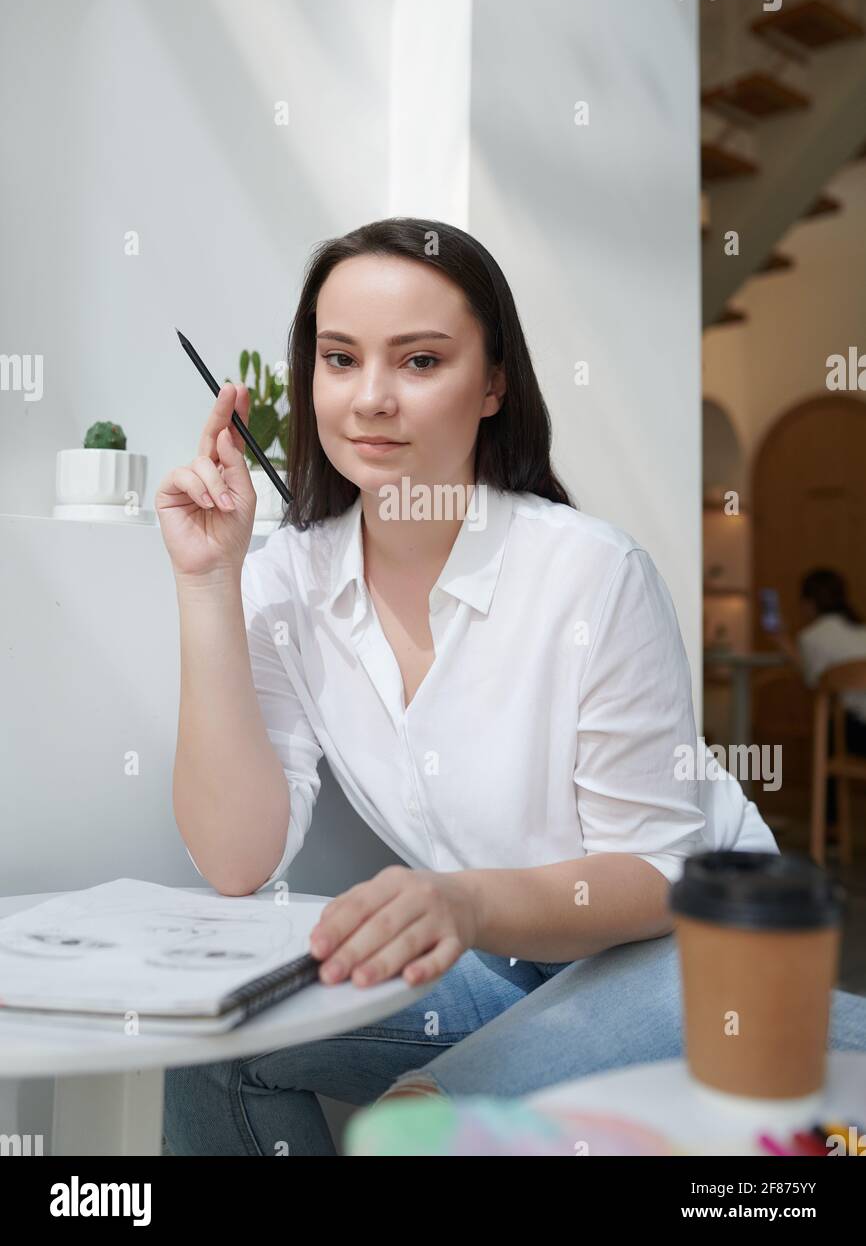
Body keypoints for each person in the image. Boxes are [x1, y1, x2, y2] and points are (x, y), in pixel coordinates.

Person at [155, 217, 866, 1155]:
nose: (369, 399)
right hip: (513, 967)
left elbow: (655, 876)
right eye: (339, 358)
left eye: (419, 361)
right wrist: (208, 583)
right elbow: (239, 861)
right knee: (214, 1032)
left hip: (689, 953)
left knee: (422, 1125)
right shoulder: (285, 579)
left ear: (493, 384)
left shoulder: (589, 573)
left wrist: (466, 902)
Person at [771, 569, 866, 834]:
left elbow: (817, 684)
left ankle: (829, 826)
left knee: (829, 731)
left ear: (809, 603)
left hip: (858, 734)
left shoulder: (812, 637)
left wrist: (788, 647)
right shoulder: (861, 630)